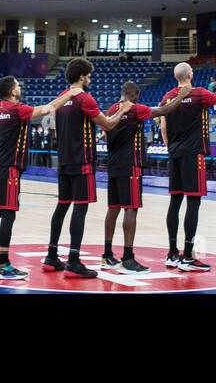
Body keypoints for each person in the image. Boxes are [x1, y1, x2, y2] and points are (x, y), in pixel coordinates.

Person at [0, 78, 82, 280]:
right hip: (9, 169)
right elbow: (48, 109)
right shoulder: (16, 109)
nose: (20, 88)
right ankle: (3, 264)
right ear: (11, 91)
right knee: (8, 214)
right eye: (17, 86)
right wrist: (70, 94)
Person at [42, 59, 135, 279]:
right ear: (82, 76)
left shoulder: (62, 99)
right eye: (90, 76)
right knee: (80, 208)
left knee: (62, 206)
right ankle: (74, 260)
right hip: (82, 161)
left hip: (64, 160)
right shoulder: (84, 98)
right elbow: (108, 124)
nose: (90, 79)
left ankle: (51, 255)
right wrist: (123, 111)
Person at [157, 62, 216, 271]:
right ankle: (188, 256)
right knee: (193, 203)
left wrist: (170, 147)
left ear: (176, 77)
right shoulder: (199, 94)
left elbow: (163, 127)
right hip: (193, 154)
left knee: (175, 201)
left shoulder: (167, 97)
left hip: (175, 154)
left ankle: (172, 253)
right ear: (190, 74)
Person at [99, 81, 190, 273]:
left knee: (113, 208)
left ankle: (107, 254)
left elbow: (107, 136)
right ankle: (128, 258)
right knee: (131, 209)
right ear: (132, 94)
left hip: (113, 164)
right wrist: (182, 96)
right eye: (137, 97)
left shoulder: (111, 110)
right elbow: (164, 109)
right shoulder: (135, 109)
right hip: (130, 164)